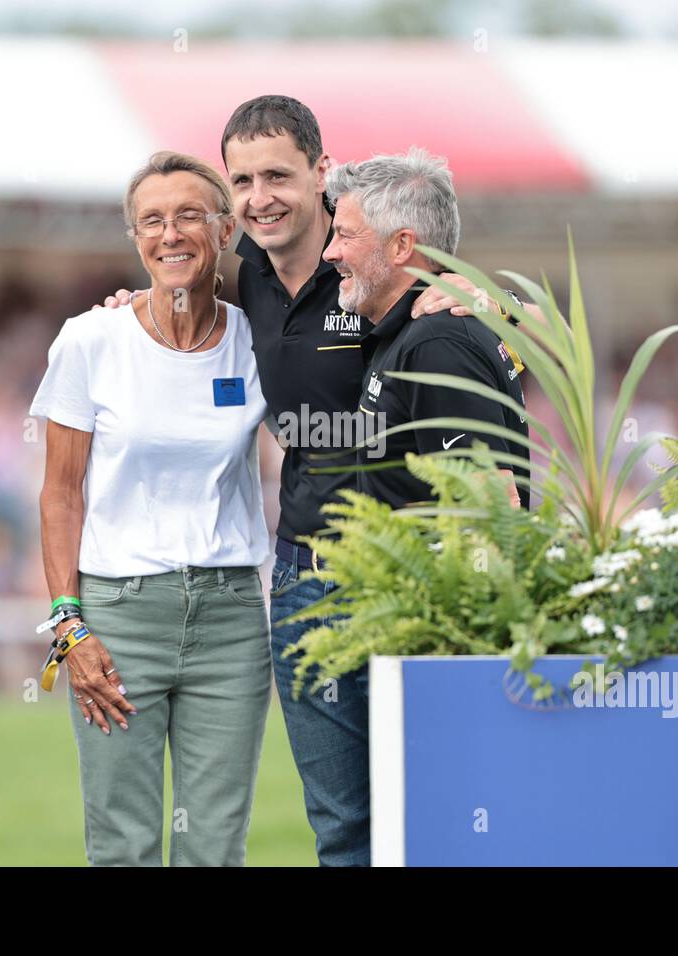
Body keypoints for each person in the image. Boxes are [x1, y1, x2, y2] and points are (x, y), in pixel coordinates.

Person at [102, 96, 512, 866]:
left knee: (433, 811)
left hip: (404, 578)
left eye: (279, 175)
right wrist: (133, 312)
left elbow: (478, 339)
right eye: (244, 179)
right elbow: (182, 301)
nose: (260, 197)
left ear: (322, 174)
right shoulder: (248, 267)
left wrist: (494, 300)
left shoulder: (371, 265)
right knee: (341, 824)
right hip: (300, 579)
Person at [31, 151, 271, 867]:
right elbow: (59, 493)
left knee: (214, 847)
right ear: (136, 239)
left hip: (230, 621)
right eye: (152, 221)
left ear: (225, 229)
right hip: (119, 620)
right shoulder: (90, 340)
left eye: (190, 215)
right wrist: (70, 629)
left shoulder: (257, 339)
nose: (171, 234)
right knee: (124, 846)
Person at [323, 148, 529, 510]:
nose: (330, 253)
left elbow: (493, 510)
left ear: (402, 245)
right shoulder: (412, 330)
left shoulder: (437, 342)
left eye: (345, 235)